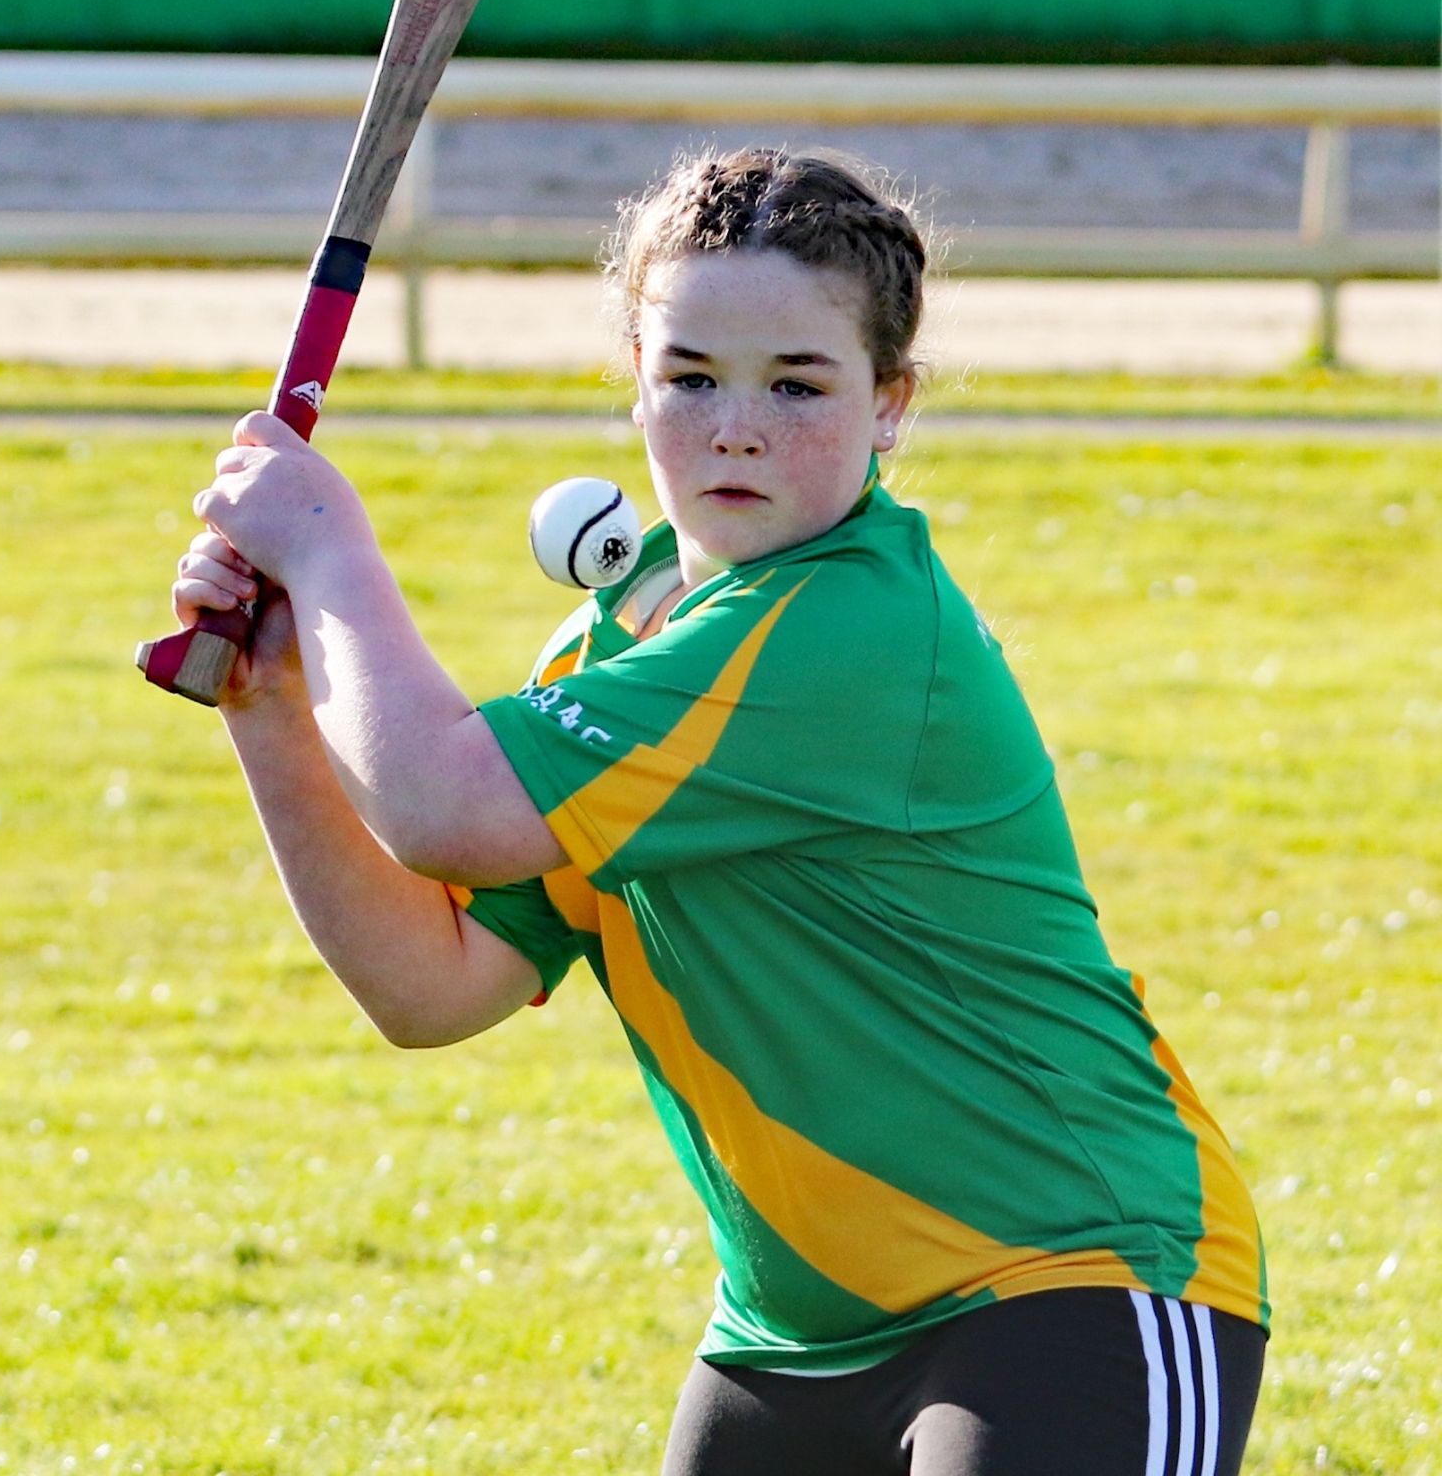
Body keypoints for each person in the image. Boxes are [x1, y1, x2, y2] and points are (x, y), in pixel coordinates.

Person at [176, 148, 1267, 1476]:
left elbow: (443, 810)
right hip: (793, 1334)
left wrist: (326, 545)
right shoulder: (625, 651)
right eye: (689, 376)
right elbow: (431, 982)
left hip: (1074, 1276)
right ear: (631, 381)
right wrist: (275, 704)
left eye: (797, 385)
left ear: (891, 407)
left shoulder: (854, 622)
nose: (735, 427)